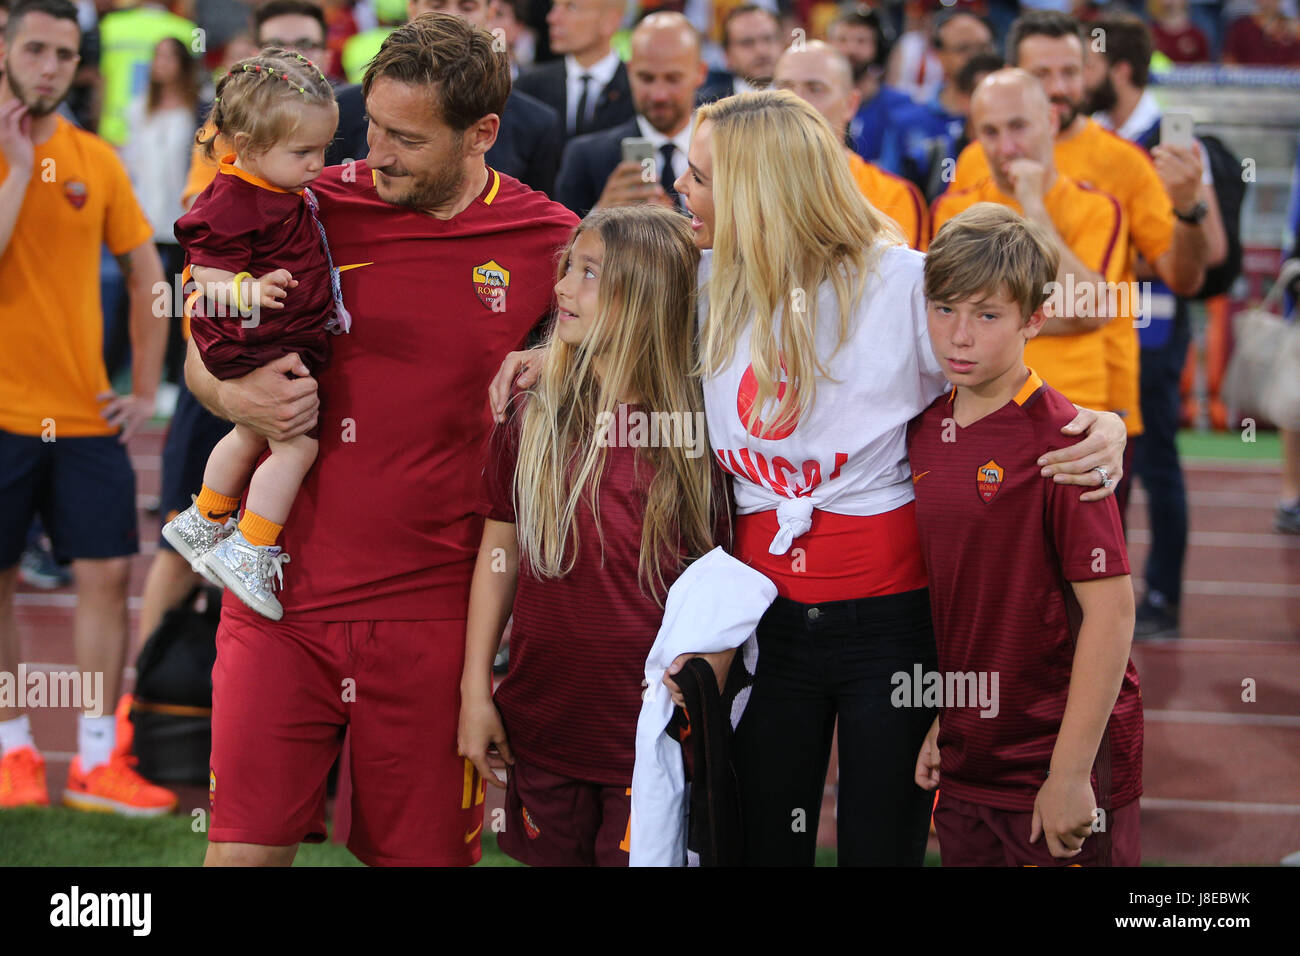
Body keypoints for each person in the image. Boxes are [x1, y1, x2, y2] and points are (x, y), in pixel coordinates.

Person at [491, 89, 1129, 866]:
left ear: (759, 186)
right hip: (759, 619)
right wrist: (544, 355)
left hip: (894, 623)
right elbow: (602, 328)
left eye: (699, 177)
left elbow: (1001, 366)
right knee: (756, 841)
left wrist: (1102, 422)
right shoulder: (695, 279)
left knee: (879, 844)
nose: (679, 191)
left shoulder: (901, 285)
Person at [184, 12, 576, 866]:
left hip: (435, 618)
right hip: (277, 597)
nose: (377, 154)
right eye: (371, 128)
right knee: (240, 855)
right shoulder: (305, 200)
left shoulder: (552, 241)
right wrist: (235, 392)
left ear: (483, 134)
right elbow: (199, 342)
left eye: (406, 138)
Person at [459, 205, 723, 866]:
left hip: (652, 735)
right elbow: (501, 547)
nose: (563, 289)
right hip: (543, 721)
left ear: (646, 296)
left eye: (590, 274)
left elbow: (727, 587)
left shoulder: (703, 428)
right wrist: (473, 691)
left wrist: (700, 692)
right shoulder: (533, 410)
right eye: (568, 268)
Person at [910, 203, 1141, 867]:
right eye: (944, 308)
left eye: (987, 315)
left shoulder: (1065, 444)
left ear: (1034, 319)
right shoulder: (924, 429)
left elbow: (1112, 610)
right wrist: (947, 714)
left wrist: (1069, 773)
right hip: (971, 750)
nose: (959, 335)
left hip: (1055, 756)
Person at [0, 0, 174, 814]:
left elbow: (149, 275)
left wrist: (144, 388)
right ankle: (13, 750)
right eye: (34, 49)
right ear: (5, 50)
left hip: (84, 414)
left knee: (107, 575)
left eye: (64, 55)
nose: (48, 66)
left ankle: (95, 759)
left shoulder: (95, 159)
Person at [950, 11, 1211, 516]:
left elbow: (1182, 277)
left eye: (1071, 71)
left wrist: (1188, 209)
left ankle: (1162, 597)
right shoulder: (975, 161)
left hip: (1097, 397)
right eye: (1043, 75)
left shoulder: (1124, 161)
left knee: (1096, 556)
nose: (1060, 87)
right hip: (991, 398)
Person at [163, 50, 348, 622]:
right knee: (297, 442)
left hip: (270, 332)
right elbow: (205, 274)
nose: (318, 164)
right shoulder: (232, 199)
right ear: (245, 144)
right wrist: (248, 291)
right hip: (250, 335)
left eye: (324, 150)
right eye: (303, 152)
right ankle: (251, 546)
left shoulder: (275, 185)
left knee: (250, 432)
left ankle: (202, 519)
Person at [1085, 12, 1229, 638]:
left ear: (1117, 70)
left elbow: (1209, 249)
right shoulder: (1081, 136)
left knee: (1158, 462)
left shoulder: (1173, 142)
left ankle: (1164, 594)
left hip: (1157, 328)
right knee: (1092, 468)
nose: (1072, 79)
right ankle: (1090, 597)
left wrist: (1113, 250)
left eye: (1085, 64)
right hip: (1090, 328)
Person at [932, 69, 1125, 415]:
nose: (1006, 147)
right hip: (979, 405)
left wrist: (1033, 204)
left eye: (1018, 127)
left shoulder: (1098, 206)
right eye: (990, 132)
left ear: (1051, 121)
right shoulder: (952, 208)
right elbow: (943, 316)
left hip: (1075, 405)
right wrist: (1048, 315)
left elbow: (1083, 305)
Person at [773, 40, 928, 252]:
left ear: (850, 104)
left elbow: (898, 280)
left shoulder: (894, 195)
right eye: (784, 88)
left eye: (815, 89)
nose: (796, 101)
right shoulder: (740, 181)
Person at [553, 11, 704, 216]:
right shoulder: (585, 157)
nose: (658, 95)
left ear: (701, 73)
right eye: (646, 78)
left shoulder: (728, 152)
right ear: (630, 71)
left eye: (672, 79)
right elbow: (560, 245)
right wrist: (601, 214)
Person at [409, 0, 563, 195]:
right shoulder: (362, 106)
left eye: (467, 8)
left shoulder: (536, 123)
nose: (452, 17)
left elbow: (539, 216)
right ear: (412, 9)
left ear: (490, 13)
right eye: (438, 6)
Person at [121, 35, 201, 396]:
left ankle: (171, 377)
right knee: (141, 298)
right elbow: (132, 162)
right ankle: (140, 377)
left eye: (169, 56)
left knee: (171, 301)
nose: (161, 63)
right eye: (157, 56)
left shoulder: (195, 109)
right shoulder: (139, 108)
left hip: (178, 218)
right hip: (145, 218)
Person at [514, 0, 633, 141]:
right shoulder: (527, 87)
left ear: (610, 21)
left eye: (571, 7)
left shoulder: (639, 90)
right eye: (554, 6)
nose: (552, 18)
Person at [94, 0, 195, 147]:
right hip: (165, 133)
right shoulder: (186, 30)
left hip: (112, 133)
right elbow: (189, 82)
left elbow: (100, 80)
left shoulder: (110, 25)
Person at [1223, 0, 1300, 65]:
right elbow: (1229, 62)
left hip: (1286, 82)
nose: (1268, 1)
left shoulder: (1294, 30)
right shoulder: (1241, 27)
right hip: (1246, 81)